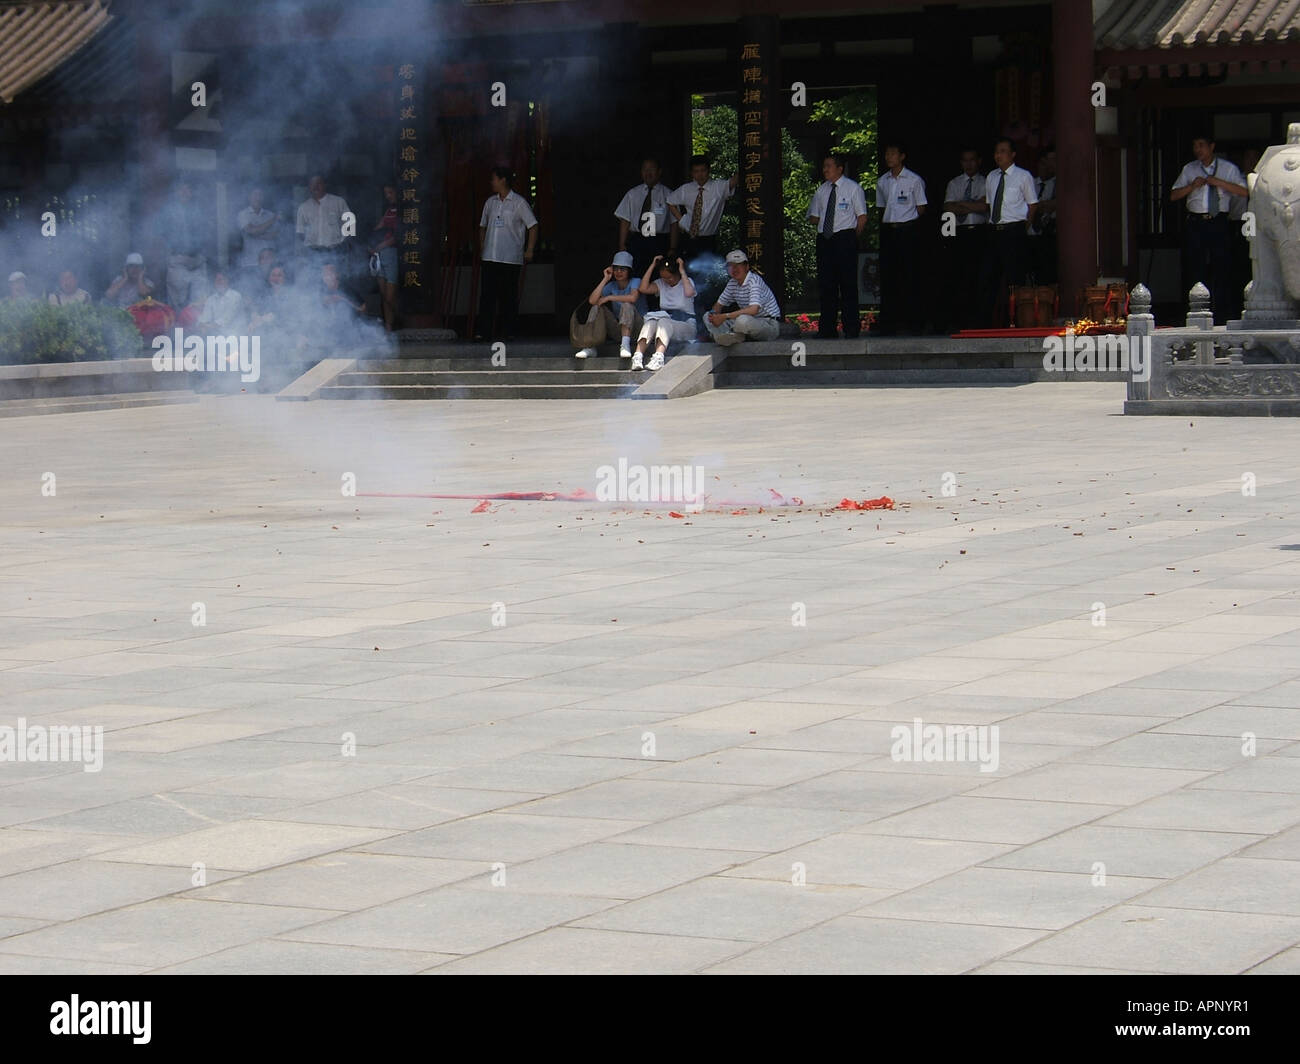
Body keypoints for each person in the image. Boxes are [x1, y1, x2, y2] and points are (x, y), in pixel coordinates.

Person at [1171, 135, 1247, 324]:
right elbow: (1173, 195)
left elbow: (1245, 191)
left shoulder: (1228, 169)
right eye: (1195, 146)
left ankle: (1222, 314)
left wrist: (1218, 183)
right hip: (1196, 222)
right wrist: (1191, 186)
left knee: (1222, 267)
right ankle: (1196, 312)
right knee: (1195, 266)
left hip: (1219, 221)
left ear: (1212, 147)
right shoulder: (1189, 169)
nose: (1198, 150)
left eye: (1201, 145)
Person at [806, 153, 868, 339]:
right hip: (825, 240)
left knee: (848, 284)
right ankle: (827, 329)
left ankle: (851, 328)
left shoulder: (853, 188)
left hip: (845, 237)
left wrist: (850, 238)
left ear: (840, 168)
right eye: (824, 166)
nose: (825, 170)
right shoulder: (822, 190)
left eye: (829, 166)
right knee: (827, 285)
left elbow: (862, 217)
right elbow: (813, 217)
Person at [476, 165, 538, 342]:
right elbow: (482, 227)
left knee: (508, 296)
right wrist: (482, 246)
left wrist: (530, 249)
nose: (491, 182)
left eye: (494, 178)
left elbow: (533, 225)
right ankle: (484, 331)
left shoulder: (519, 202)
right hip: (489, 256)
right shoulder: (490, 202)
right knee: (487, 296)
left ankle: (509, 331)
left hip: (510, 258)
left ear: (503, 180)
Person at [981, 138, 1038, 326]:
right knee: (990, 275)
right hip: (995, 230)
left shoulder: (1023, 176)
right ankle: (989, 321)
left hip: (1014, 230)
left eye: (1003, 151)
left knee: (1015, 276)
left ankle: (1018, 320)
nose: (999, 155)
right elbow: (990, 204)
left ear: (1013, 154)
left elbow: (1032, 205)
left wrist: (1024, 227)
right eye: (997, 151)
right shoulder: (991, 176)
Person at [873, 141, 927, 335]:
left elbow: (921, 208)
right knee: (889, 277)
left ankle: (915, 322)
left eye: (893, 153)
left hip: (908, 230)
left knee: (910, 275)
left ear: (902, 156)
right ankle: (889, 322)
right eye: (887, 154)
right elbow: (881, 207)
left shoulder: (914, 180)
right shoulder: (882, 181)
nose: (889, 157)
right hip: (890, 230)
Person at [941, 148, 988, 331]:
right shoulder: (954, 183)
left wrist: (960, 204)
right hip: (958, 232)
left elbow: (984, 206)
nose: (969, 164)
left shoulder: (985, 182)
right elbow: (947, 208)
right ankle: (958, 320)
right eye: (965, 160)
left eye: (972, 160)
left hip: (979, 231)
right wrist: (972, 205)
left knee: (979, 277)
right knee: (959, 277)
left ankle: (979, 320)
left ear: (979, 161)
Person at [571, 251, 645, 360]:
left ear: (629, 271)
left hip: (639, 330)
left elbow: (632, 298)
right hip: (619, 330)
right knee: (597, 306)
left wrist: (609, 297)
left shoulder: (636, 281)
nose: (618, 272)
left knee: (627, 305)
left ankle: (625, 346)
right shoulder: (611, 285)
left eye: (623, 269)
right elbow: (592, 300)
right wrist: (605, 278)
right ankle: (590, 346)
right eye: (616, 268)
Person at [705, 249, 782, 347]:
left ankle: (729, 335)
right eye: (730, 266)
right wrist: (714, 316)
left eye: (738, 265)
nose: (734, 269)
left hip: (768, 324)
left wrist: (724, 316)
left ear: (747, 267)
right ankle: (731, 336)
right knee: (707, 316)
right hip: (743, 324)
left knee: (742, 321)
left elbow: (753, 310)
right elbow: (719, 304)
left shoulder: (754, 281)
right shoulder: (732, 283)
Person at [633, 255, 696, 371]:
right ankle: (637, 356)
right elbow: (643, 289)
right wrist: (652, 265)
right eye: (664, 278)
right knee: (651, 321)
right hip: (665, 321)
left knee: (663, 321)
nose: (667, 281)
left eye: (670, 277)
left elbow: (689, 293)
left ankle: (659, 357)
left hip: (686, 324)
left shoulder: (687, 281)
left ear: (677, 273)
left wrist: (682, 270)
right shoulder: (661, 283)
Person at [615, 157, 677, 277]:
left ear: (659, 171)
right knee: (636, 274)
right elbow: (625, 219)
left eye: (652, 169)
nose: (648, 173)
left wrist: (673, 247)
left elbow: (674, 223)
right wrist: (622, 244)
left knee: (658, 275)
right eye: (645, 169)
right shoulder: (632, 194)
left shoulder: (669, 194)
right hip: (637, 240)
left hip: (659, 241)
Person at [159, 180, 212, 310]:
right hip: (178, 258)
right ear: (176, 193)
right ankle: (178, 329)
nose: (184, 193)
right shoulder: (168, 211)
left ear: (191, 192)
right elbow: (162, 234)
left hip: (198, 259)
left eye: (187, 190)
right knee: (177, 299)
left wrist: (203, 251)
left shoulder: (199, 210)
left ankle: (200, 328)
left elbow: (207, 231)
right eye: (181, 190)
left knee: (200, 298)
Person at [1228, 147, 1261, 322]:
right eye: (1247, 157)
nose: (1251, 161)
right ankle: (1235, 310)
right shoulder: (1237, 179)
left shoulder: (1262, 180)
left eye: (1254, 157)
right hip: (1238, 224)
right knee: (1238, 268)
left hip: (1258, 226)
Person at [296, 175, 351, 274]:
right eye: (312, 185)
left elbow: (350, 226)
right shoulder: (303, 207)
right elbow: (300, 232)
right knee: (314, 280)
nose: (315, 187)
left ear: (325, 185)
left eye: (319, 184)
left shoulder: (339, 202)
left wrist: (342, 245)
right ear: (309, 187)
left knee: (335, 280)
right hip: (312, 253)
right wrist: (308, 248)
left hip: (335, 251)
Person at [368, 183, 399, 332]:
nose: (388, 196)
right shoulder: (388, 211)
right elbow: (377, 229)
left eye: (390, 192)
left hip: (392, 254)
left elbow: (397, 237)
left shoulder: (404, 211)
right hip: (380, 255)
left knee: (390, 295)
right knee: (383, 294)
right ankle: (388, 326)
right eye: (386, 193)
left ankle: (394, 320)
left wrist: (379, 246)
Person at [1028, 146, 1057, 283]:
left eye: (1051, 162)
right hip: (1029, 236)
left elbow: (1056, 205)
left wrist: (1035, 206)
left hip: (1049, 236)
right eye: (1043, 163)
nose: (1046, 166)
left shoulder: (1058, 184)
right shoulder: (1029, 183)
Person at [237, 188, 280, 268]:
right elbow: (252, 230)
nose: (258, 198)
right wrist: (273, 220)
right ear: (249, 197)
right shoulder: (243, 214)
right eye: (255, 195)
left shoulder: (270, 214)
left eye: (260, 195)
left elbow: (275, 234)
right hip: (250, 262)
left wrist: (257, 234)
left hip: (270, 263)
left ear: (263, 198)